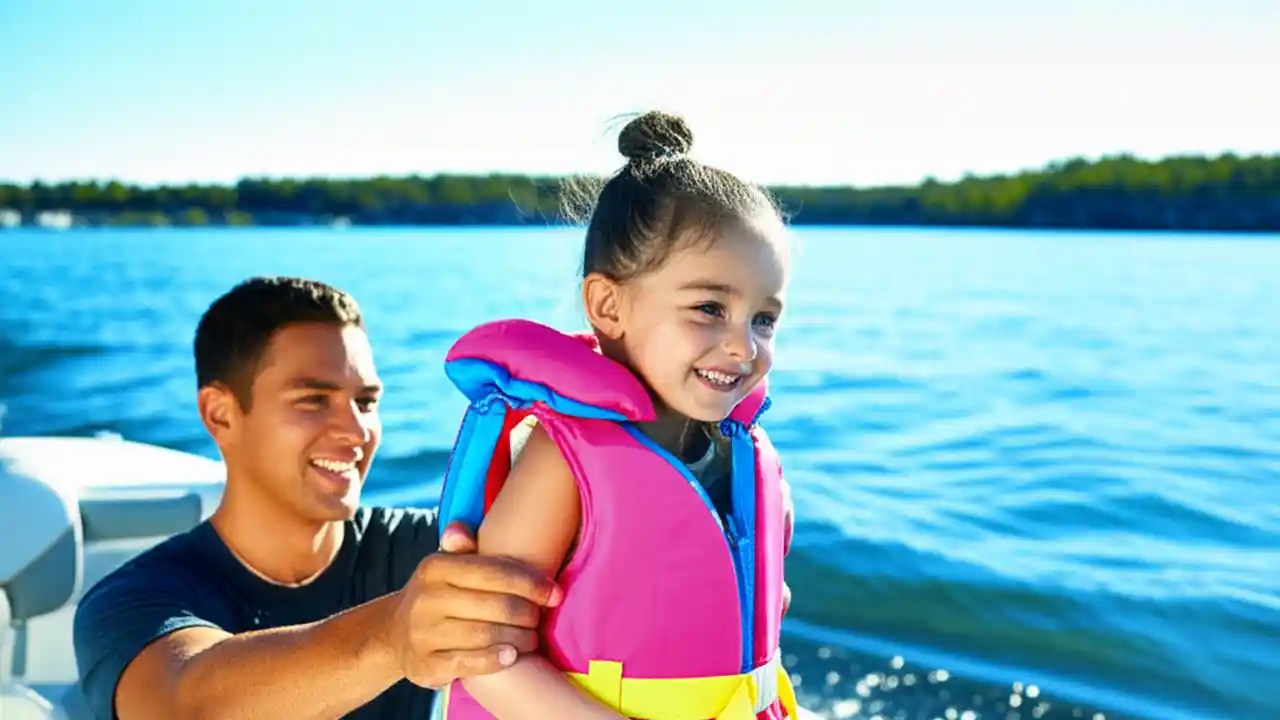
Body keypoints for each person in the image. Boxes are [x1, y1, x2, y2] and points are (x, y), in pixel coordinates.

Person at [434, 111, 797, 720]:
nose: (744, 346)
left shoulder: (745, 460)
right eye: (710, 308)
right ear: (607, 305)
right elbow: (480, 650)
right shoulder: (564, 461)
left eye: (764, 319)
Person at [72, 277, 564, 720]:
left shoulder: (436, 551)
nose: (356, 431)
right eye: (313, 400)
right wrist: (392, 635)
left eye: (366, 402)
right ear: (220, 415)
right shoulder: (128, 603)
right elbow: (186, 707)